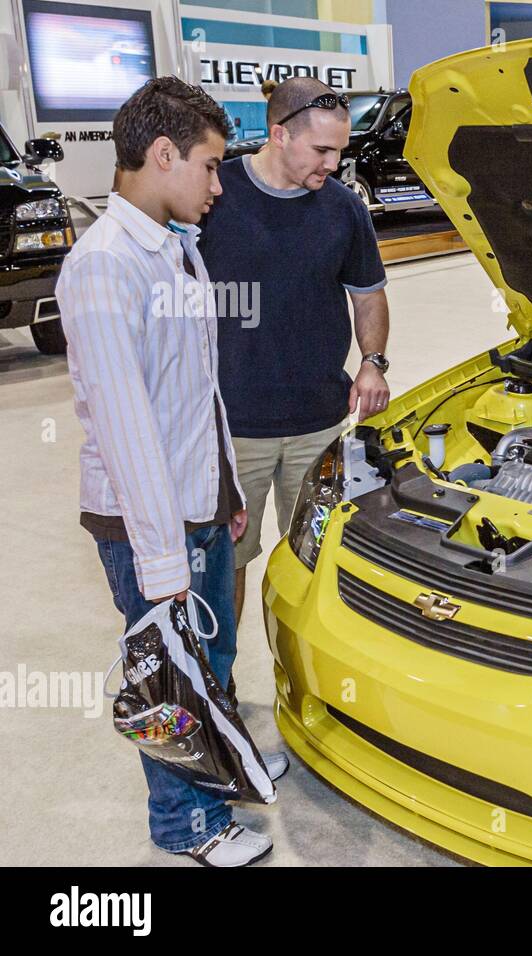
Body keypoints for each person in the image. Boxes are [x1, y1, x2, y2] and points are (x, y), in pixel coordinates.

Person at [57, 76, 287, 867]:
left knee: (211, 662)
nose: (219, 186)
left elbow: (198, 393)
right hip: (144, 522)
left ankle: (217, 778)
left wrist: (222, 492)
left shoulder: (176, 250)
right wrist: (163, 563)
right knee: (167, 683)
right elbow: (127, 432)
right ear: (162, 155)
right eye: (211, 167)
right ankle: (181, 823)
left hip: (195, 503)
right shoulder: (104, 269)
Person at [198, 77, 390, 626]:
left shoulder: (343, 207)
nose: (332, 164)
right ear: (279, 134)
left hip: (319, 424)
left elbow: (368, 295)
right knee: (223, 567)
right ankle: (220, 682)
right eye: (322, 150)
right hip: (233, 428)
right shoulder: (215, 195)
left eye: (340, 151)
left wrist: (372, 362)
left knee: (319, 558)